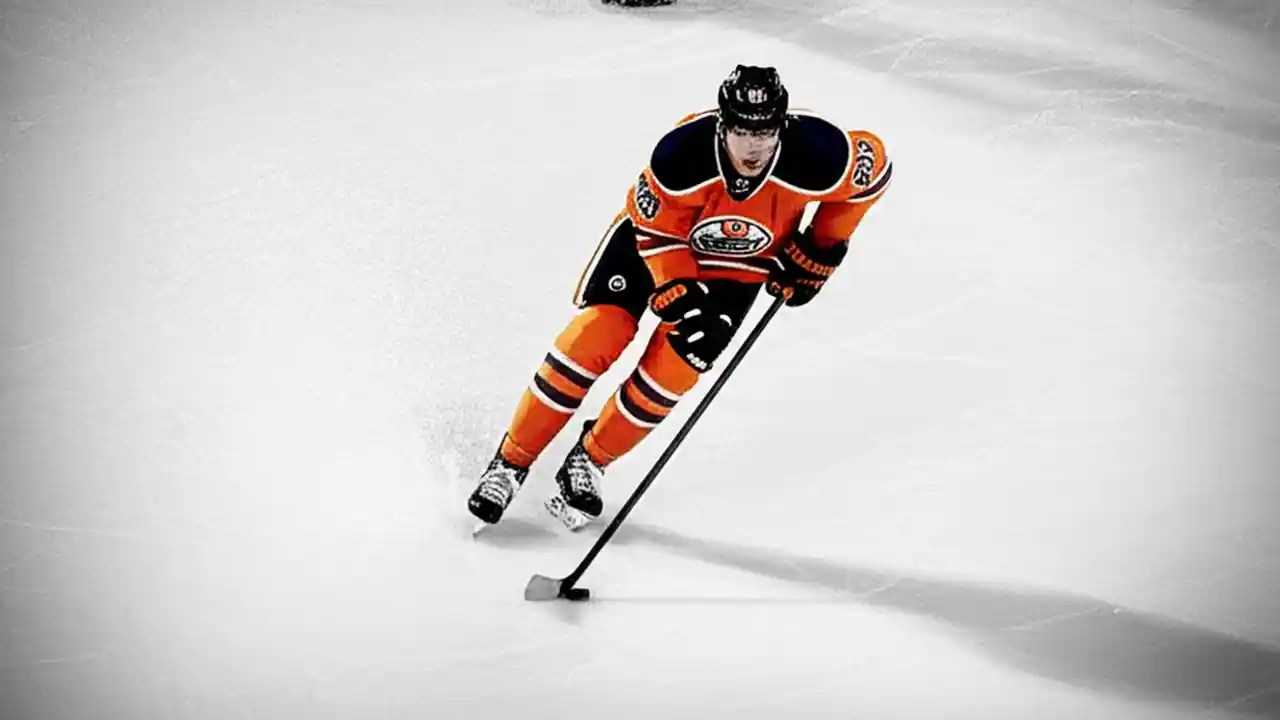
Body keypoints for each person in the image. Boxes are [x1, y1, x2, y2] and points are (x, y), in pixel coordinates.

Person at [467, 65, 893, 529]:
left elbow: (875, 169)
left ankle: (588, 460)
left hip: (741, 264)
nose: (755, 145)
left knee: (680, 363)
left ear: (783, 126)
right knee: (597, 334)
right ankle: (510, 462)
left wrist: (824, 244)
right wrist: (678, 289)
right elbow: (654, 230)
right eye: (743, 130)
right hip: (656, 245)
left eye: (766, 131)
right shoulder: (681, 154)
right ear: (723, 125)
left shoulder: (820, 152)